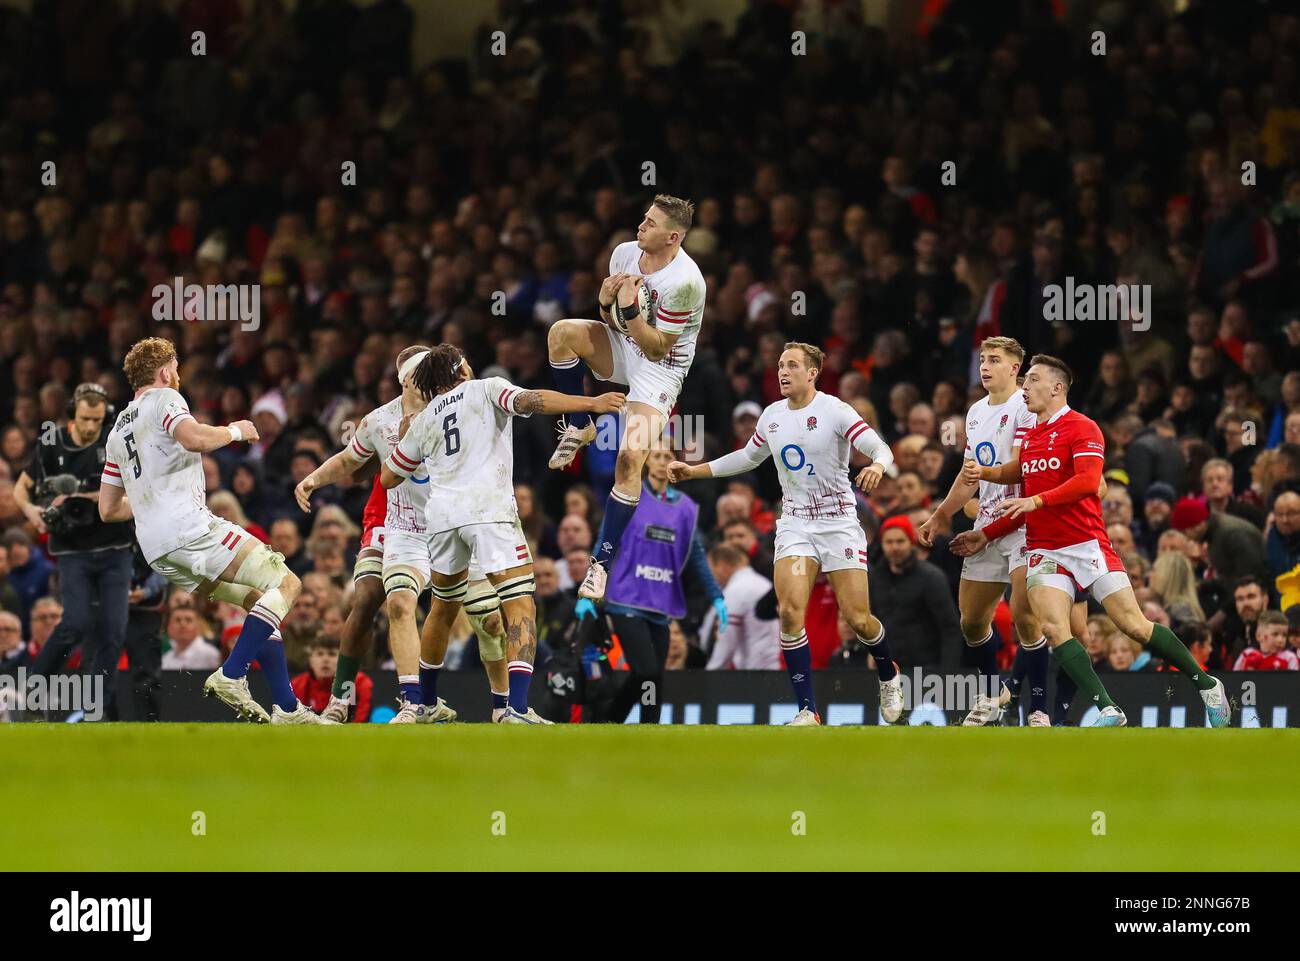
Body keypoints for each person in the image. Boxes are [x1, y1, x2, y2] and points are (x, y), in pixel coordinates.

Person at [952, 353, 1231, 728]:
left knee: (1134, 625)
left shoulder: (1083, 428)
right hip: (1043, 549)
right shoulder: (1030, 438)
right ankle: (1108, 709)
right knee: (1054, 628)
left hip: (1087, 544)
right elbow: (1021, 500)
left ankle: (1207, 684)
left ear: (1057, 387)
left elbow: (1087, 481)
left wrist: (1037, 500)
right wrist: (985, 531)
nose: (1024, 387)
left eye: (1032, 379)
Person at [381, 344, 624, 723]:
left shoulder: (426, 417)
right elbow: (534, 400)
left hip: (442, 519)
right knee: (520, 603)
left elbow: (388, 476)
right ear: (461, 369)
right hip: (488, 512)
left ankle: (424, 702)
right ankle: (516, 709)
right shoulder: (487, 388)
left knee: (442, 609)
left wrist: (405, 434)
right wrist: (590, 403)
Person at [668, 342, 903, 726]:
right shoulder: (772, 416)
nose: (783, 371)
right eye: (780, 365)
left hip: (838, 522)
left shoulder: (835, 410)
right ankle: (808, 710)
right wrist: (696, 470)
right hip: (795, 522)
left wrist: (877, 465)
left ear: (812, 373)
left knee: (858, 618)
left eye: (792, 365)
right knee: (790, 612)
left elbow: (880, 447)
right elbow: (748, 457)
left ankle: (888, 671)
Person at [98, 337, 328, 723]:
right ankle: (232, 674)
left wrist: (152, 503)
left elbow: (107, 509)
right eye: (176, 369)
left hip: (157, 550)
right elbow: (194, 438)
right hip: (190, 529)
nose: (178, 376)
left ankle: (287, 707)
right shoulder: (166, 398)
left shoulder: (117, 431)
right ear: (165, 371)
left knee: (258, 600)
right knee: (287, 584)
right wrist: (236, 430)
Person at [546, 196, 707, 605]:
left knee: (630, 458)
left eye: (651, 223)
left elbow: (656, 348)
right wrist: (605, 304)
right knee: (561, 333)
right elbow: (613, 321)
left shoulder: (686, 282)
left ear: (672, 237)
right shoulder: (623, 253)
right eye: (644, 218)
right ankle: (581, 426)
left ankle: (600, 564)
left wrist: (630, 308)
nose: (641, 227)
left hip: (661, 369)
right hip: (626, 345)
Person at [294, 346, 458, 723]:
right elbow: (351, 462)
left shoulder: (452, 409)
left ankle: (468, 701)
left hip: (447, 521)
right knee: (368, 598)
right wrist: (314, 479)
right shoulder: (379, 421)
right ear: (407, 380)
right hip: (389, 519)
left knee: (467, 610)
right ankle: (342, 699)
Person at [917, 336, 1051, 725]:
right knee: (972, 621)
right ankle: (992, 696)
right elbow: (969, 475)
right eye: (982, 360)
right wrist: (940, 515)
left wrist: (984, 475)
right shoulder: (975, 412)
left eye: (994, 360)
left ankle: (1038, 709)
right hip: (986, 525)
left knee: (1026, 618)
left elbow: (1021, 468)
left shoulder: (1025, 407)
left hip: (1024, 523)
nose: (985, 366)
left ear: (1015, 368)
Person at [576, 441, 726, 723]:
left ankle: (649, 728)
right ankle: (609, 720)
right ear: (645, 461)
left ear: (675, 462)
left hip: (661, 603)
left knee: (654, 676)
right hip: (626, 599)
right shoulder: (627, 497)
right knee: (646, 671)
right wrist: (588, 593)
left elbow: (696, 554)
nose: (661, 461)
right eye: (656, 455)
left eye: (667, 456)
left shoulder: (685, 508)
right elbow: (605, 540)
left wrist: (716, 595)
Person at [15, 382, 137, 717]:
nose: (90, 426)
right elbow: (21, 489)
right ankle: (33, 696)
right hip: (72, 550)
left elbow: (138, 489)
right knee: (75, 622)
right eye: (85, 419)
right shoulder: (50, 441)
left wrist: (84, 498)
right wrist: (31, 511)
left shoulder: (116, 440)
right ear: (73, 413)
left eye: (97, 420)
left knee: (114, 630)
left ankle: (96, 708)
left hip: (115, 548)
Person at [703, 543, 777, 670]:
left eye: (710, 569)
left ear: (721, 566)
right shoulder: (763, 583)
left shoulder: (736, 591)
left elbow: (726, 641)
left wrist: (710, 675)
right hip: (773, 663)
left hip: (758, 669)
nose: (710, 577)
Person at [292, 634, 374, 721]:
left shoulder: (357, 683)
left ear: (343, 660)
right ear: (310, 660)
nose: (325, 659)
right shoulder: (298, 685)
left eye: (332, 654)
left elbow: (360, 720)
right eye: (320, 654)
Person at [160, 605, 222, 671]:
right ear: (169, 627)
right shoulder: (165, 659)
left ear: (198, 627)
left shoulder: (210, 654)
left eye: (188, 620)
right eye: (177, 620)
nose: (183, 624)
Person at [1233, 611, 1299, 670]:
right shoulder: (1247, 654)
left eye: (1284, 635)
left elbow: (1294, 679)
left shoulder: (1289, 658)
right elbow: (1235, 677)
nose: (1280, 640)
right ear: (1259, 636)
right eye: (1275, 634)